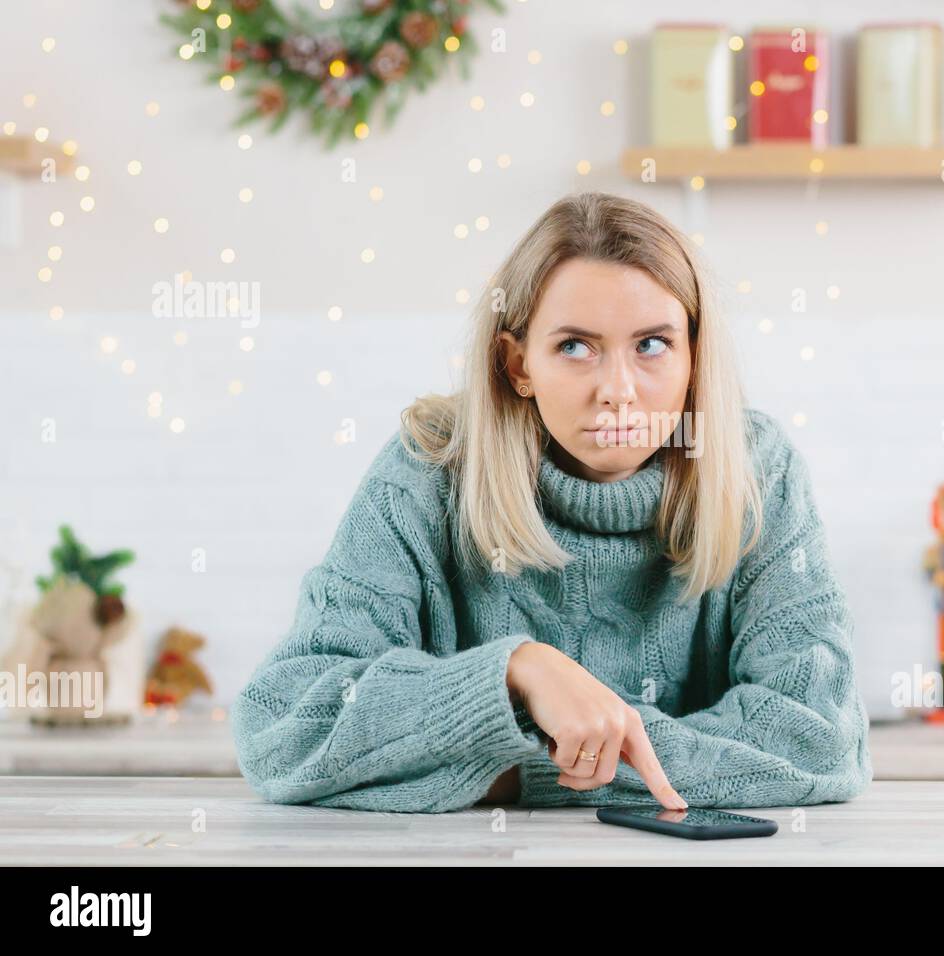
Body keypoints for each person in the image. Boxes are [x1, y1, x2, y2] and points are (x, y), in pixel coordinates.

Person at [230, 190, 872, 813]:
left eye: (652, 344)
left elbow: (823, 736)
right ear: (518, 364)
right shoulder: (426, 473)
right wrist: (515, 671)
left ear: (694, 355)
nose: (618, 390)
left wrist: (523, 768)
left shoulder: (757, 470)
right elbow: (281, 724)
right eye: (575, 346)